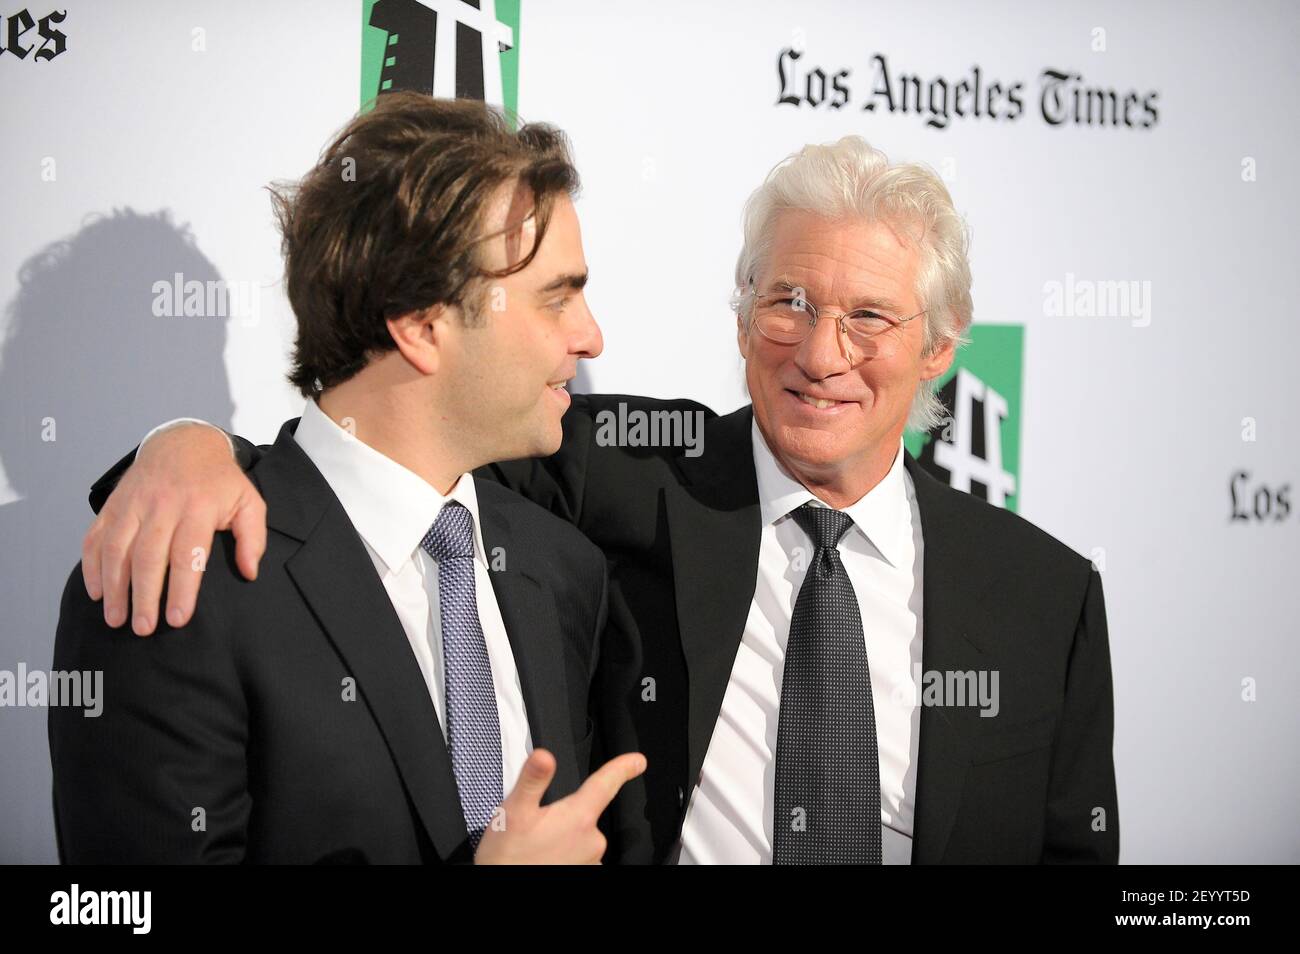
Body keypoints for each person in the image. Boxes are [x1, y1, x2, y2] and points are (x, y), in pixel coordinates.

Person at [79, 135, 1118, 864]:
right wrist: (188, 447)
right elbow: (389, 438)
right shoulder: (622, 475)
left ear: (938, 347)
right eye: (786, 302)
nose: (817, 352)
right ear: (743, 308)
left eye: (870, 317)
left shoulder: (1043, 596)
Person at [49, 92, 646, 864]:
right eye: (556, 297)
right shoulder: (177, 575)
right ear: (422, 326)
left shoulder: (560, 569)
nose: (590, 336)